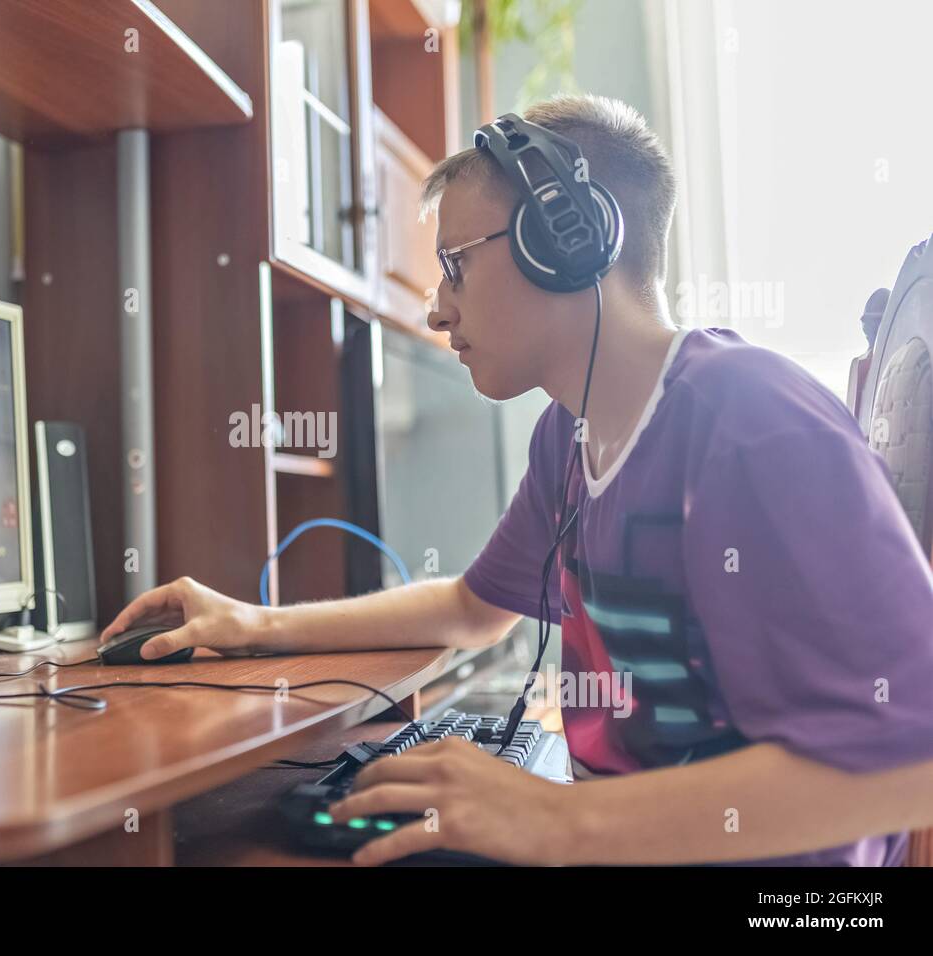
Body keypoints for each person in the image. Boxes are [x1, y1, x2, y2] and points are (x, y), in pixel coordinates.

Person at [101, 94, 933, 866]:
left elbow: (915, 762)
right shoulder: (565, 439)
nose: (435, 309)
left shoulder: (750, 418)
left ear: (565, 240)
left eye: (456, 266)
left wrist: (556, 818)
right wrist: (252, 624)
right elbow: (472, 609)